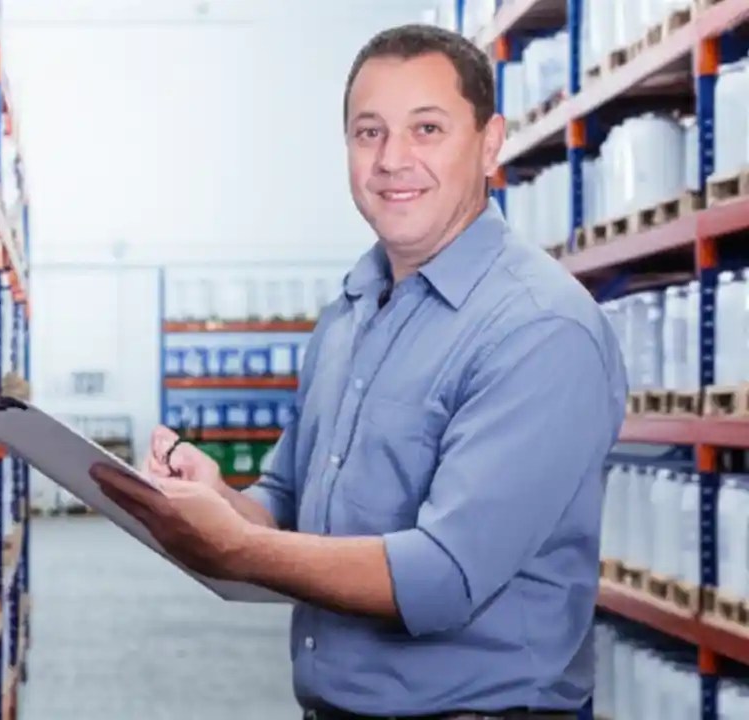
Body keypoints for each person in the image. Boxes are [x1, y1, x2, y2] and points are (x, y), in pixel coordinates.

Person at [91, 23, 627, 720]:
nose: (392, 160)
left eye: (427, 129)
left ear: (490, 143)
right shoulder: (350, 313)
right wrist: (218, 497)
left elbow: (443, 577)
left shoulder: (539, 330)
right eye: (368, 133)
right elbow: (285, 500)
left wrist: (239, 550)